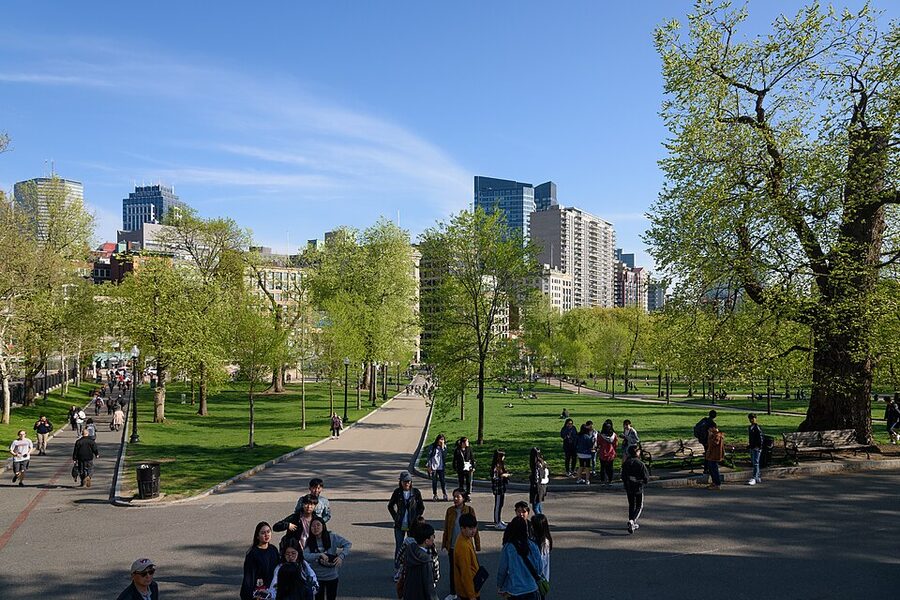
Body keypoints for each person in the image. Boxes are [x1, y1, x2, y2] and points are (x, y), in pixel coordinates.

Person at [442, 488, 481, 599]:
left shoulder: (469, 510)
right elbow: (446, 528)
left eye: (458, 497)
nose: (455, 499)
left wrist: (477, 544)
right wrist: (445, 544)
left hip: (466, 543)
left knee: (468, 569)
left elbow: (475, 528)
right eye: (454, 496)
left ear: (463, 498)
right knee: (454, 570)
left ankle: (470, 588)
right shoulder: (450, 511)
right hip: (453, 544)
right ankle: (453, 591)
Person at [303, 516, 351, 600]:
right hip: (317, 577)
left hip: (332, 576)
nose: (316, 528)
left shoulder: (332, 537)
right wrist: (319, 555)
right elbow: (305, 556)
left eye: (318, 525)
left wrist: (341, 556)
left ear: (323, 526)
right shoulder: (309, 540)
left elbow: (348, 544)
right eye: (313, 526)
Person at [496, 516, 543, 600]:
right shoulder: (532, 545)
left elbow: (502, 570)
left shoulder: (508, 547)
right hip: (532, 588)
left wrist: (500, 585)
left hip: (515, 590)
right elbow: (539, 567)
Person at [388, 471, 425, 567]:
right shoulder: (397, 492)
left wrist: (416, 518)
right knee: (399, 546)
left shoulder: (416, 493)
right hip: (400, 524)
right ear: (401, 482)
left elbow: (421, 507)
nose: (407, 483)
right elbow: (390, 506)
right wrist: (396, 517)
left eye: (409, 481)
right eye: (405, 481)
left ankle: (411, 567)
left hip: (412, 524)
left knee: (412, 546)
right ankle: (398, 568)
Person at [241, 521, 281, 600]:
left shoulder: (273, 549)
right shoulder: (252, 554)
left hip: (273, 589)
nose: (266, 535)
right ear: (257, 536)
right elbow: (248, 578)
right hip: (259, 591)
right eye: (263, 533)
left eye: (268, 532)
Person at [402, 523, 439, 600]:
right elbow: (429, 586)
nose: (434, 538)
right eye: (433, 536)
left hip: (409, 592)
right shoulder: (426, 560)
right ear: (426, 541)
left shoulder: (410, 549)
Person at [621, 445, 650, 534]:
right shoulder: (640, 464)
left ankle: (631, 521)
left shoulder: (626, 463)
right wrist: (641, 481)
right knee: (639, 506)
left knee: (631, 505)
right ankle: (632, 521)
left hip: (629, 487)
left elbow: (623, 476)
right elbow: (646, 478)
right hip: (638, 488)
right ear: (637, 452)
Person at [452, 512, 481, 600]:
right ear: (462, 528)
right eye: (470, 528)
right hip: (468, 590)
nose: (473, 531)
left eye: (474, 528)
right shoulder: (463, 546)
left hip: (470, 586)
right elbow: (465, 573)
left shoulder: (465, 538)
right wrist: (471, 595)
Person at [530, 515, 552, 600]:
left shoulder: (543, 543)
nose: (531, 527)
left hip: (538, 580)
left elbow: (541, 564)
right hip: (542, 579)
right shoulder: (545, 540)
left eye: (533, 525)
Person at [490, 450, 510, 529]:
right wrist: (503, 475)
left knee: (501, 504)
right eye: (502, 456)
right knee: (498, 505)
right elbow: (495, 478)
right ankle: (497, 522)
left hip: (501, 487)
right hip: (498, 488)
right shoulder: (495, 467)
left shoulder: (501, 465)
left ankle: (499, 520)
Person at [694, 409, 718, 475]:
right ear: (715, 416)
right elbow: (715, 433)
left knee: (707, 455)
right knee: (709, 456)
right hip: (709, 441)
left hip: (703, 441)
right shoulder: (712, 423)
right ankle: (707, 469)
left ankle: (706, 469)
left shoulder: (704, 420)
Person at [426, 434, 449, 501]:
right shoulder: (432, 447)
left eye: (443, 440)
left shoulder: (444, 447)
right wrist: (429, 466)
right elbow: (429, 457)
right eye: (440, 439)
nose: (441, 441)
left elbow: (445, 456)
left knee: (443, 481)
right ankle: (435, 495)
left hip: (441, 467)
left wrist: (442, 448)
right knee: (434, 482)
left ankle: (444, 494)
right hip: (434, 467)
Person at [597, 419, 618, 485]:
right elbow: (616, 444)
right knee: (610, 467)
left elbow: (598, 443)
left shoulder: (601, 435)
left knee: (602, 468)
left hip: (603, 453)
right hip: (611, 453)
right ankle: (610, 480)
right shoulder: (614, 435)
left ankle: (602, 480)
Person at [705, 421, 725, 490]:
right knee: (711, 469)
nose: (709, 430)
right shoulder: (715, 434)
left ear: (713, 428)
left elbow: (712, 444)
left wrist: (710, 436)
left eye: (710, 429)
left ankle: (717, 484)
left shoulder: (717, 435)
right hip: (712, 455)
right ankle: (714, 482)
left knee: (714, 470)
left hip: (714, 455)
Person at [528, 448, 548, 514]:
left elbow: (536, 477)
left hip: (537, 487)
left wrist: (531, 478)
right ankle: (541, 518)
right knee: (539, 504)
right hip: (543, 486)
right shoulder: (543, 462)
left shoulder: (536, 465)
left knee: (535, 507)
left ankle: (539, 520)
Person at [747, 413, 763, 485]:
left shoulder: (757, 428)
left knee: (756, 463)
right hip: (752, 447)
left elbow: (760, 438)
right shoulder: (750, 427)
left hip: (756, 447)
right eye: (750, 419)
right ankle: (757, 476)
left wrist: (759, 446)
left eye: (753, 418)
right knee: (754, 462)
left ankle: (754, 477)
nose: (752, 420)